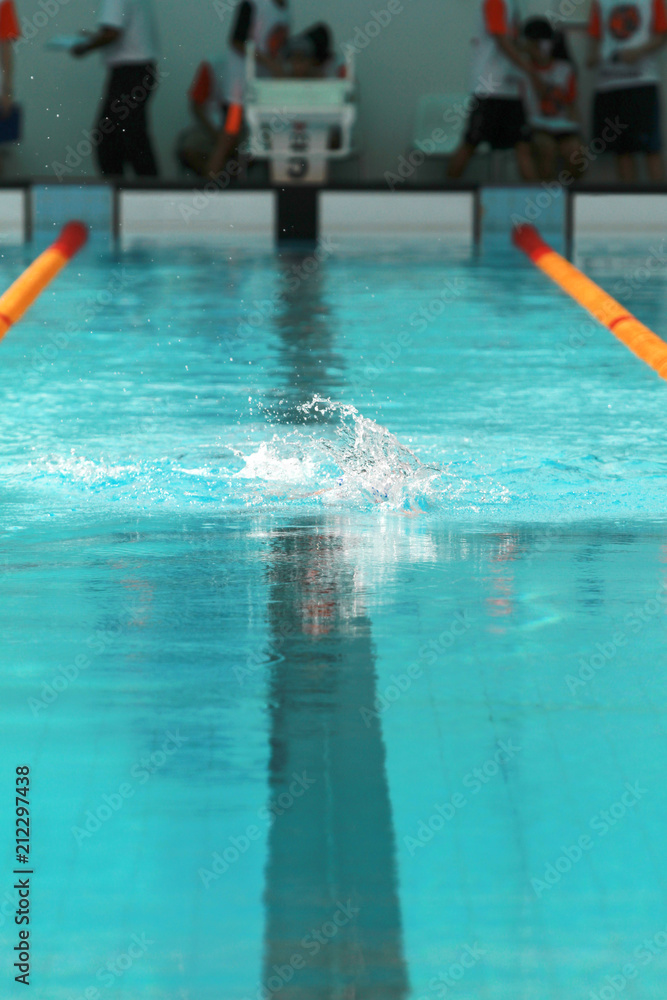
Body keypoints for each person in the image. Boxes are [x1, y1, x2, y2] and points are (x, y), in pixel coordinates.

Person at [448, 0, 544, 181]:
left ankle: (536, 201)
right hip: (489, 89)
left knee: (523, 145)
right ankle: (444, 194)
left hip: (510, 89)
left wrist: (531, 50)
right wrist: (530, 71)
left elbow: (512, 41)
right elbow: (501, 40)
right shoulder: (495, 2)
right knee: (471, 144)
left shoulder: (512, 5)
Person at [71, 0, 160, 177]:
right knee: (128, 133)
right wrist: (95, 39)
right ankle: (145, 188)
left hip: (129, 73)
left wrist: (85, 47)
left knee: (114, 136)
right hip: (139, 71)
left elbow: (112, 33)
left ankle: (122, 190)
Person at [207, 0, 290, 177]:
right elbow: (236, 41)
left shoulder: (285, 10)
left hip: (265, 89)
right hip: (240, 86)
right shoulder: (252, 4)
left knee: (271, 135)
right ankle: (209, 183)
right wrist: (267, 61)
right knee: (230, 132)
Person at [588, 0, 667, 182]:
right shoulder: (600, 2)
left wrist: (638, 51)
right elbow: (596, 35)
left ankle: (660, 205)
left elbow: (662, 34)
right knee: (621, 149)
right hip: (608, 83)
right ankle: (628, 202)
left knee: (650, 147)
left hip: (641, 81)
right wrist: (593, 56)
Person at [521, 17, 585, 181]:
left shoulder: (564, 69)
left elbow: (571, 104)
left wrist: (576, 128)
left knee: (576, 153)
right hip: (536, 127)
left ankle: (569, 194)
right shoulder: (522, 70)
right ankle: (544, 194)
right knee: (546, 149)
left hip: (562, 127)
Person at [177, 57, 228, 176]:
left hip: (239, 130)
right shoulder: (215, 65)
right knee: (189, 149)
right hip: (211, 127)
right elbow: (196, 105)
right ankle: (211, 184)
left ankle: (224, 185)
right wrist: (215, 133)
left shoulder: (255, 65)